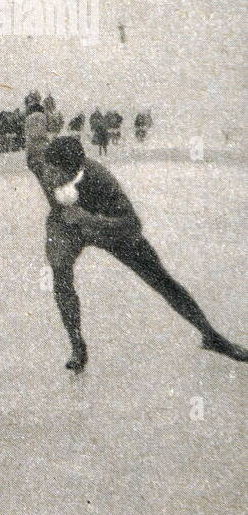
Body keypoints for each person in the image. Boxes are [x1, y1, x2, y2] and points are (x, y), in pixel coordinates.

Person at [23, 98, 245, 372]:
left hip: (108, 225)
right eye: (50, 173)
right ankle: (77, 345)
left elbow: (132, 224)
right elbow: (35, 135)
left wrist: (88, 219)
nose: (52, 180)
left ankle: (211, 336)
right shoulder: (42, 163)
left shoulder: (100, 180)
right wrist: (35, 111)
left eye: (60, 176)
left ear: (75, 171)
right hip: (65, 226)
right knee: (60, 276)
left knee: (160, 278)